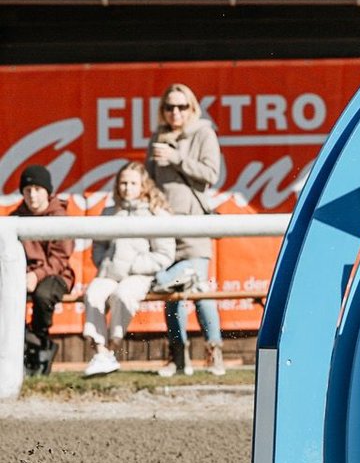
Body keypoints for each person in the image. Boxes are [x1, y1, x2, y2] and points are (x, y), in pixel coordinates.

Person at [147, 83, 226, 377]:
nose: (175, 112)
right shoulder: (158, 137)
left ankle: (213, 351)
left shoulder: (204, 133)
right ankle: (178, 357)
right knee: (171, 295)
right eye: (169, 107)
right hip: (165, 228)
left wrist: (176, 158)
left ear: (192, 107)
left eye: (181, 106)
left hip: (194, 226)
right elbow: (149, 182)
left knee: (200, 292)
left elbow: (211, 174)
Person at [83, 163, 176, 377]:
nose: (127, 188)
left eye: (133, 183)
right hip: (109, 273)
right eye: (123, 183)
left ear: (143, 185)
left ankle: (112, 349)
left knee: (123, 296)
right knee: (92, 294)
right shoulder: (109, 213)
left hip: (139, 275)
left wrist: (134, 265)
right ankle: (100, 351)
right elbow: (99, 244)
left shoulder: (155, 214)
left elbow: (164, 254)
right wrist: (105, 262)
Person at [10, 164, 74, 377]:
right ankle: (29, 342)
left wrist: (36, 275)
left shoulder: (59, 218)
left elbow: (60, 259)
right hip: (21, 276)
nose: (32, 195)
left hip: (56, 275)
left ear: (48, 191)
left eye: (38, 189)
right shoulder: (14, 219)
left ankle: (40, 342)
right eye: (27, 190)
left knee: (43, 295)